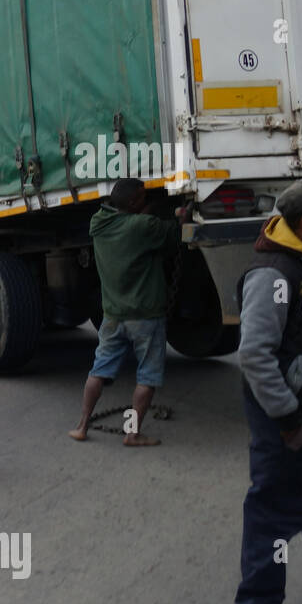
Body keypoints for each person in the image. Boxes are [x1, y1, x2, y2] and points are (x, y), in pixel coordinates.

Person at [234, 176, 302, 604]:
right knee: (275, 514)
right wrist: (290, 422)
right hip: (286, 420)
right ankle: (259, 603)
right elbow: (254, 355)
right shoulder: (274, 276)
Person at [69, 178, 177, 446]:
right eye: (142, 197)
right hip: (145, 316)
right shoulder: (144, 226)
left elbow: (126, 220)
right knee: (146, 377)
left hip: (113, 315)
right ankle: (132, 432)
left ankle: (82, 426)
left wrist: (142, 211)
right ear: (133, 203)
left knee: (99, 371)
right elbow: (172, 234)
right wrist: (181, 216)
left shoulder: (98, 224)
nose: (145, 200)